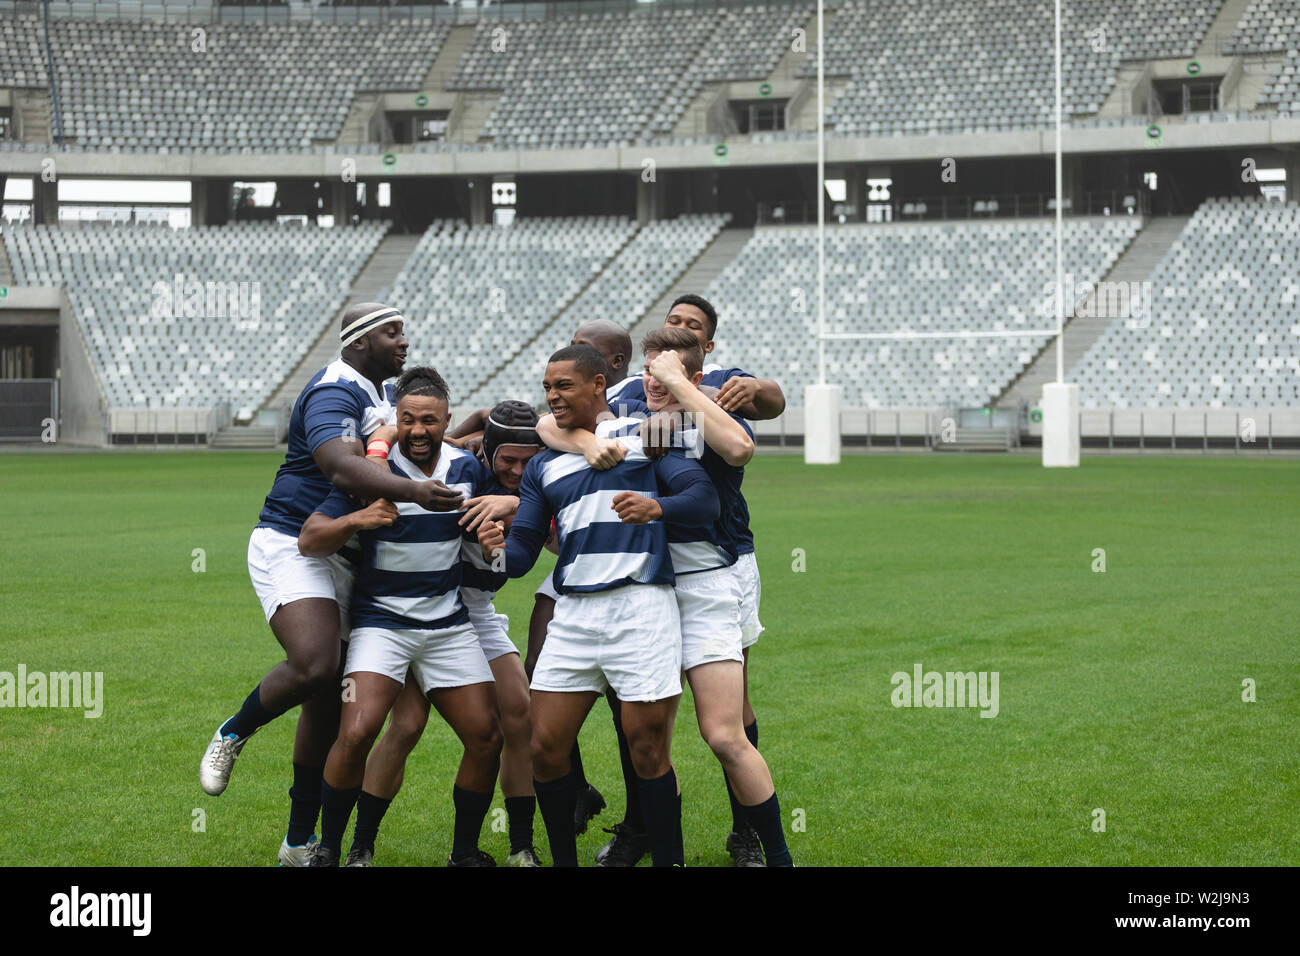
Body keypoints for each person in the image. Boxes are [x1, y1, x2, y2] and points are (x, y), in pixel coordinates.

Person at [198, 303, 464, 868]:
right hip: (295, 540)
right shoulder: (334, 391)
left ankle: (298, 843)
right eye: (393, 332)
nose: (404, 341)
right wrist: (416, 493)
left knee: (325, 700)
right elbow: (342, 469)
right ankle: (233, 732)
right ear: (361, 340)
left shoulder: (379, 392)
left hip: (348, 554)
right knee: (317, 665)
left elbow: (408, 441)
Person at [477, 344, 719, 866]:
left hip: (641, 606)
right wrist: (495, 549)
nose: (552, 396)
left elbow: (703, 500)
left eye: (563, 385)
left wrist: (658, 506)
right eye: (546, 387)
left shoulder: (643, 439)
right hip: (575, 615)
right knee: (545, 747)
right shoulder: (544, 466)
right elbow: (520, 557)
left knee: (648, 748)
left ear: (596, 386)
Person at [597, 293, 784, 866]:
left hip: (718, 563)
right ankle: (644, 828)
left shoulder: (720, 383)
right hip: (644, 576)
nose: (677, 329)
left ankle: (749, 834)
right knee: (641, 720)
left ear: (707, 345)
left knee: (729, 718)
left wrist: (692, 391)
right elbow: (567, 424)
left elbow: (765, 409)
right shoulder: (626, 393)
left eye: (692, 326)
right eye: (671, 321)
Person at [297, 366, 503, 867]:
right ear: (397, 420)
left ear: (446, 420)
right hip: (382, 624)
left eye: (429, 421)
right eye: (407, 419)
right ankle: (330, 849)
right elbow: (309, 539)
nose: (417, 430)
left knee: (485, 736)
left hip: (446, 626)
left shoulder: (466, 469)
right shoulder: (374, 471)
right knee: (357, 731)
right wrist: (358, 519)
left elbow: (485, 555)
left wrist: (490, 546)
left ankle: (463, 853)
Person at [348, 401, 545, 867]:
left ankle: (519, 846)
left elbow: (512, 562)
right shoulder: (466, 473)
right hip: (428, 608)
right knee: (408, 725)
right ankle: (360, 845)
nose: (517, 471)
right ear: (489, 454)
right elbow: (409, 432)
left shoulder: (538, 489)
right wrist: (381, 444)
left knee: (519, 716)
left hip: (475, 609)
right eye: (508, 461)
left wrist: (519, 503)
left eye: (527, 462)